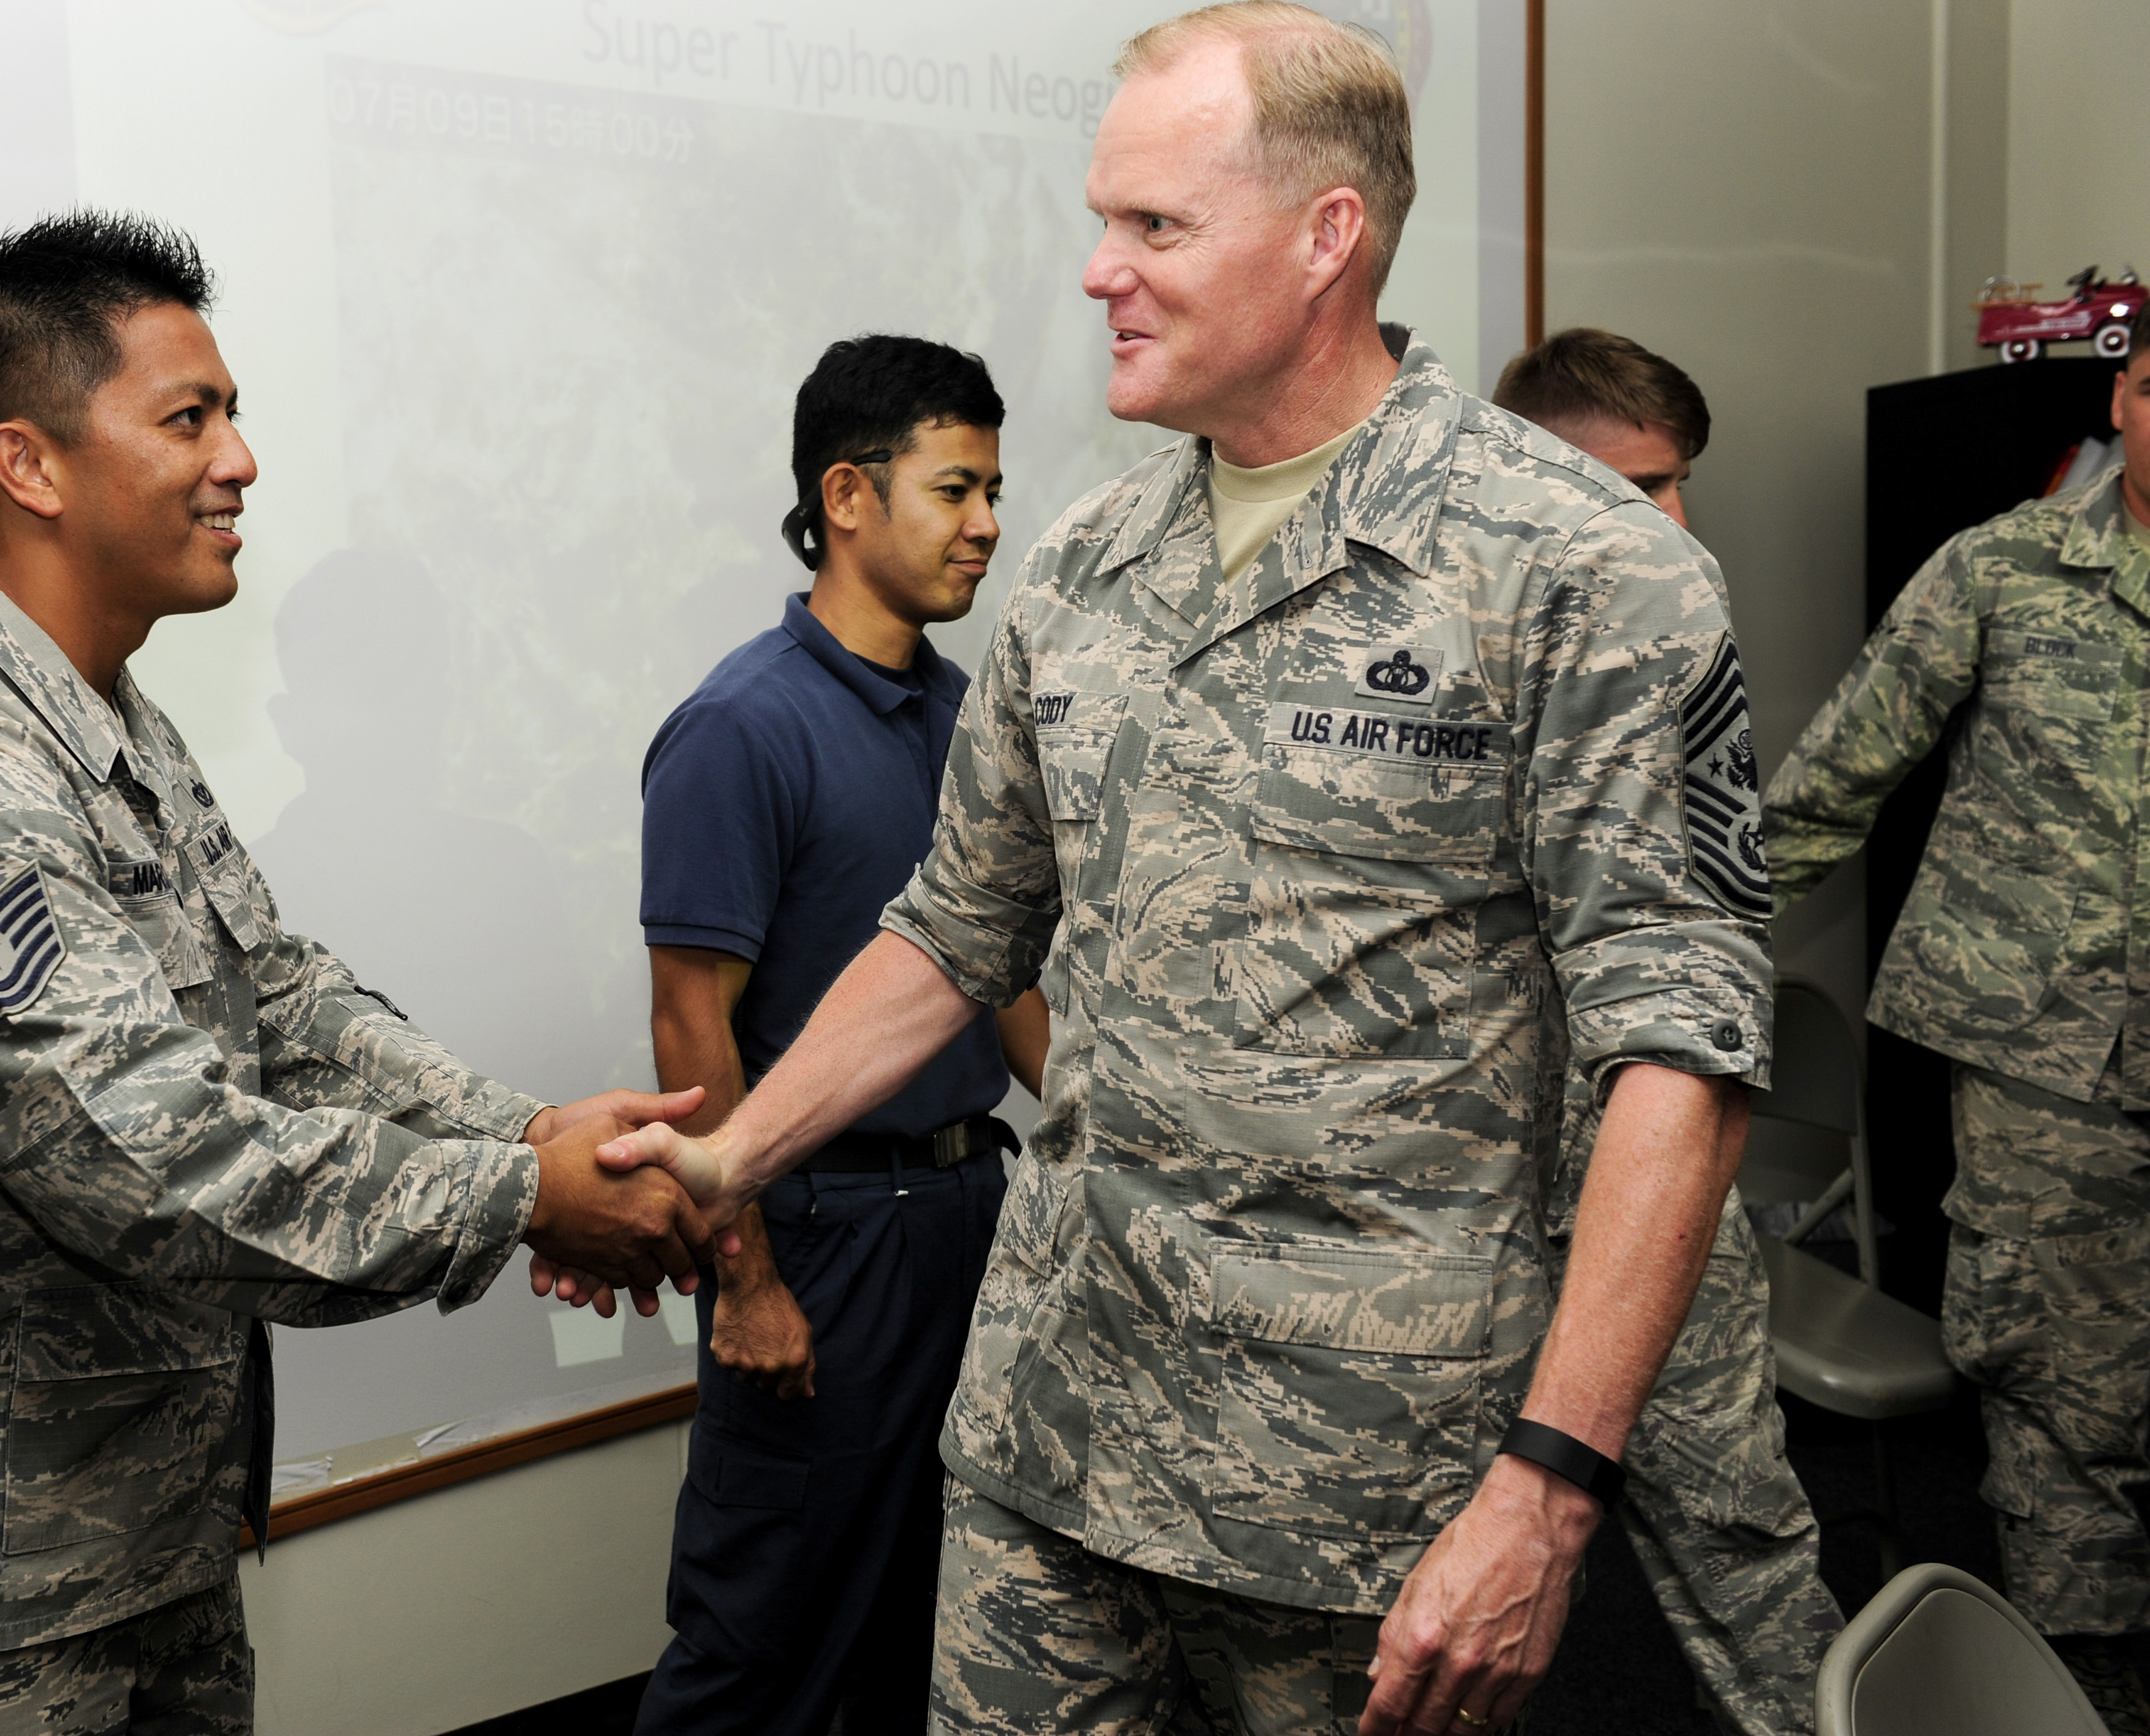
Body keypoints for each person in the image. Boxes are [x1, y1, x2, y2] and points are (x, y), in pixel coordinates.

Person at [601, 7, 1774, 1732]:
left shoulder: (1584, 572)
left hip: (1363, 1497)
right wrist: (725, 1160)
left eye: (1154, 228)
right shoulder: (1085, 564)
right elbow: (952, 931)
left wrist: (1548, 1483)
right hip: (1049, 1448)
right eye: (1101, 222)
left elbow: (1684, 1054)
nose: (1098, 273)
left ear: (1327, 239)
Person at [0, 212, 711, 1735]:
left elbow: (279, 1003)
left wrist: (526, 1136)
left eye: (231, 411)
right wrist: (525, 1199)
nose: (239, 459)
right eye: (189, 417)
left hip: (132, 1541)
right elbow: (151, 1162)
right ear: (28, 464)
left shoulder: (105, 716)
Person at [631, 335, 1052, 1735]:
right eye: (955, 490)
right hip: (819, 1236)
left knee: (932, 1626)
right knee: (763, 1646)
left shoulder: (966, 712)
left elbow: (995, 977)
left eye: (994, 489)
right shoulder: (741, 727)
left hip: (968, 1214)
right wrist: (743, 1279)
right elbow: (691, 1027)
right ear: (848, 497)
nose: (987, 524)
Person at [1764, 308, 2150, 1722]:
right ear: (2124, 393)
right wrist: (1660, 948)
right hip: (2054, 1082)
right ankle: (2082, 1703)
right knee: (2064, 1422)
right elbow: (1831, 785)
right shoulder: (2004, 568)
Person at [1493, 327, 1844, 1736]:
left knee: (1741, 1546)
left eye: (1681, 483)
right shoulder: (1432, 664)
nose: (1678, 524)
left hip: (1651, 1197)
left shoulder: (1682, 664)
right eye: (1639, 488)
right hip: (1474, 1213)